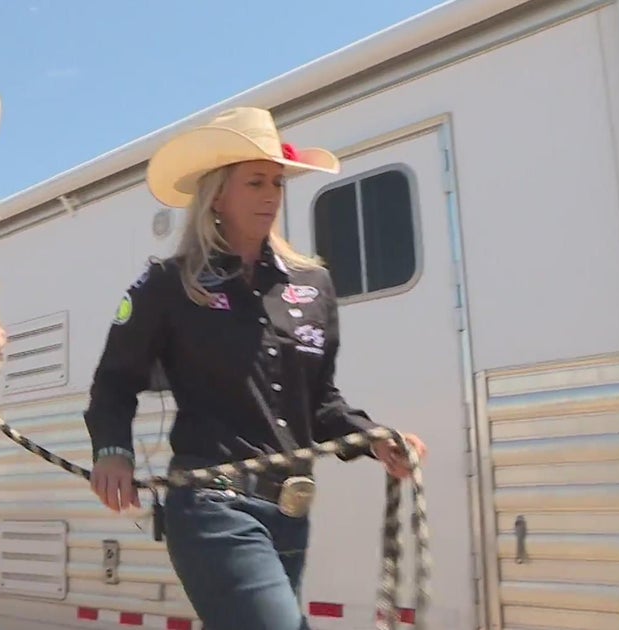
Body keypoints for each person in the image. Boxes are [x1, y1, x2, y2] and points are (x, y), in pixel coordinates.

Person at [81, 107, 428, 630]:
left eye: (277, 182)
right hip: (213, 508)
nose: (271, 194)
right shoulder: (168, 286)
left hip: (291, 515)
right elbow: (114, 381)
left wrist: (374, 438)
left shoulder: (313, 287)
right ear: (218, 194)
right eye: (255, 182)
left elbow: (320, 402)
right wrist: (112, 451)